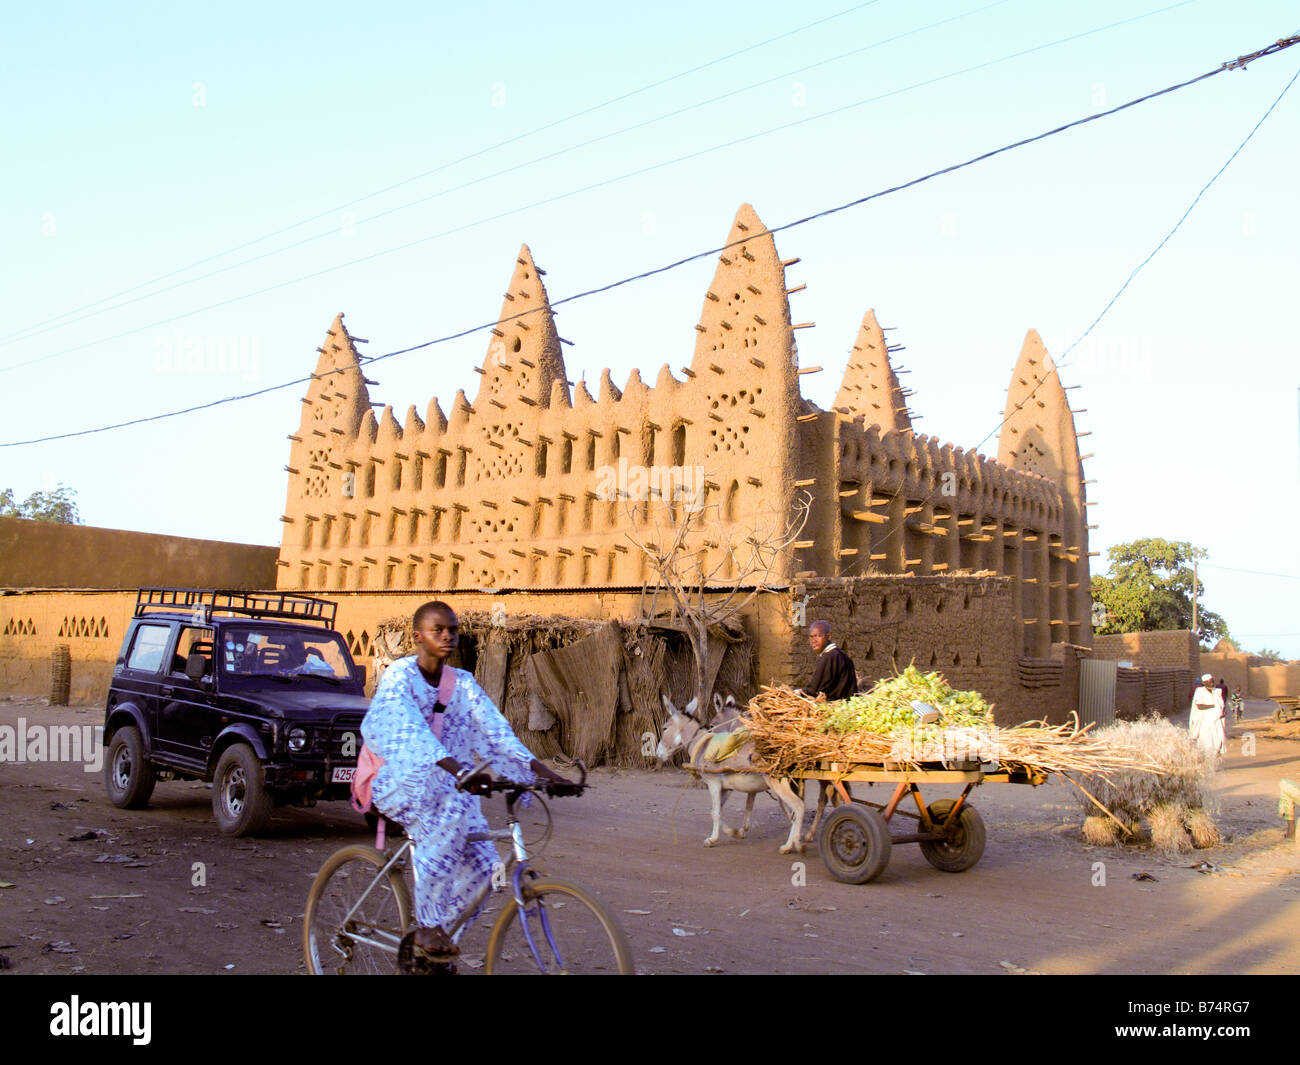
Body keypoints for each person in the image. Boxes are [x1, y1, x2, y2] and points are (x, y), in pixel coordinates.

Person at [360, 600, 576, 966]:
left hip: (452, 787)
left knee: (485, 868)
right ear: (417, 637)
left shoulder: (463, 683)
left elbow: (496, 732)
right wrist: (458, 770)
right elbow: (409, 733)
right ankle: (428, 924)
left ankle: (434, 952)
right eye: (437, 630)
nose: (447, 636)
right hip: (399, 781)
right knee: (448, 817)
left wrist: (541, 771)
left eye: (452, 630)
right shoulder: (400, 676)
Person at [804, 621, 858, 701]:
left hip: (834, 706)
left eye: (818, 636)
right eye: (811, 637)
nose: (813, 641)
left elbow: (813, 690)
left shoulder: (828, 657)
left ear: (828, 637)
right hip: (848, 705)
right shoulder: (843, 655)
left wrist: (796, 692)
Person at [1188, 672, 1226, 758]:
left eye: (1212, 681)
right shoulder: (1200, 691)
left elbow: (1221, 705)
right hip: (1205, 722)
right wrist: (1213, 706)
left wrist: (1223, 711)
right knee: (1206, 742)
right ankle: (1205, 761)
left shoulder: (1217, 691)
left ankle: (1213, 759)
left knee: (1218, 740)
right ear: (1204, 683)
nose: (1212, 683)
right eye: (1209, 682)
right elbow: (1199, 706)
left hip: (1217, 721)